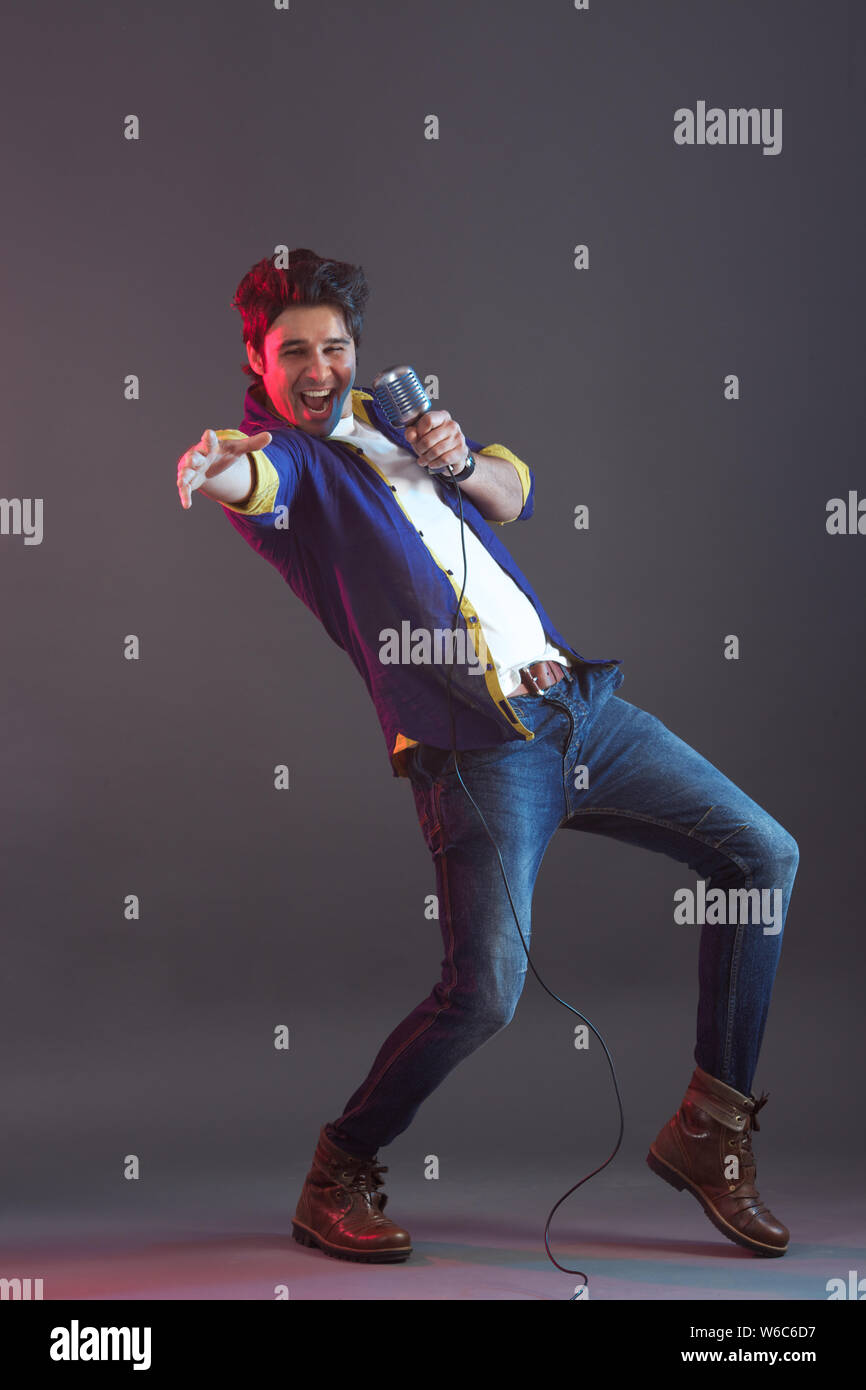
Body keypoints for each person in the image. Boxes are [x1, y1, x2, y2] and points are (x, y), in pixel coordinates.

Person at [175, 248, 799, 1265]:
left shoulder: (395, 415)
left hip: (575, 710)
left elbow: (508, 494)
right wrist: (218, 467)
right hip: (477, 752)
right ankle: (339, 1167)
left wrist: (456, 460)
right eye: (294, 351)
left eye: (334, 345)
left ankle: (708, 1129)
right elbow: (255, 475)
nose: (320, 366)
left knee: (761, 854)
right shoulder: (286, 466)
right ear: (257, 357)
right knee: (483, 995)